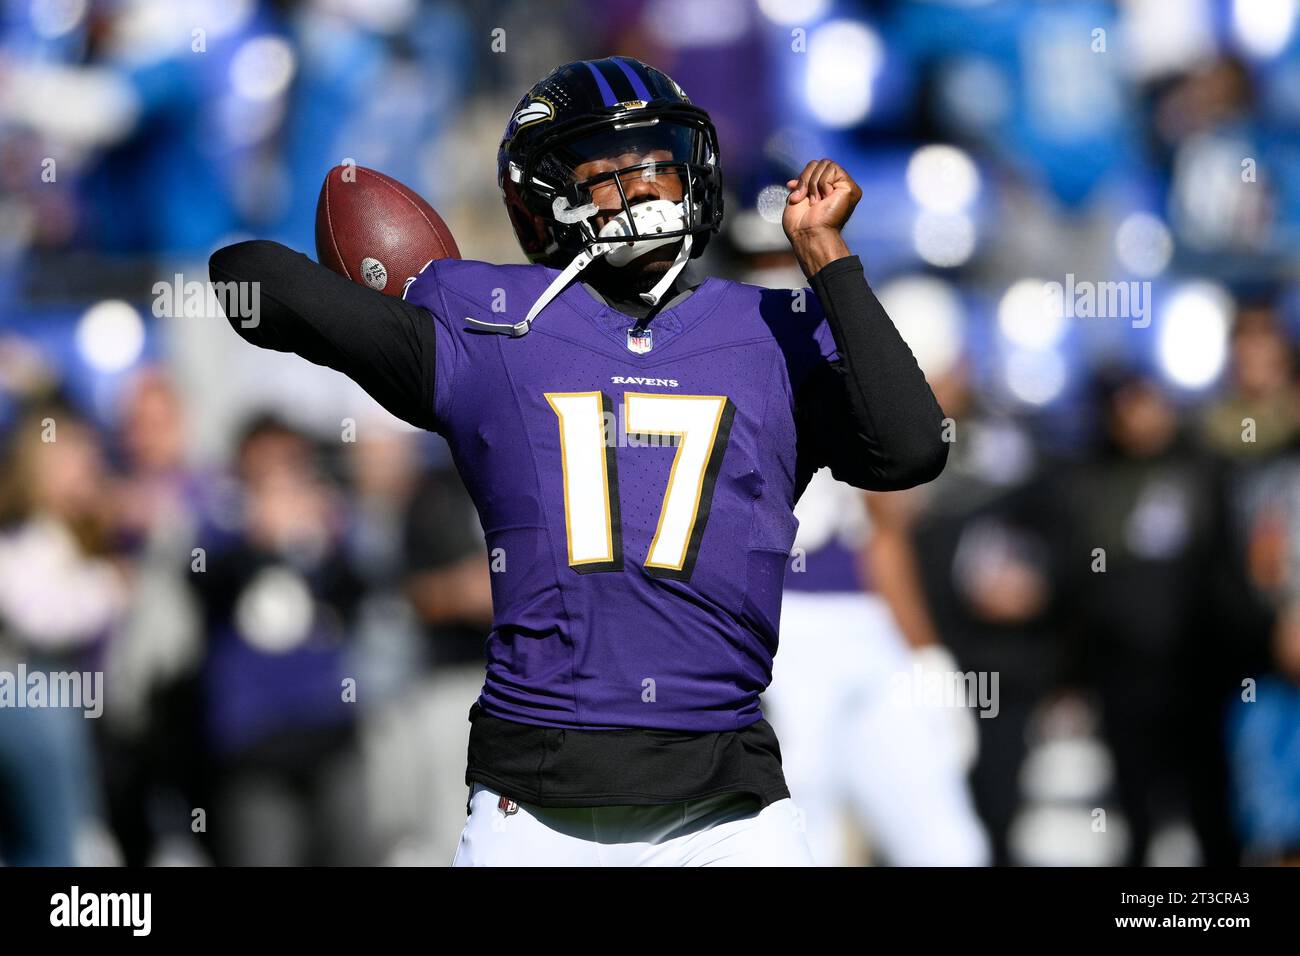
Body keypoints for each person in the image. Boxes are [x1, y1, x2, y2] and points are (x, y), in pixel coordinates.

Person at [209, 57, 947, 866]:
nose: (650, 188)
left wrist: (828, 257)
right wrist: (401, 303)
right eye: (613, 173)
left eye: (662, 163)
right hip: (535, 810)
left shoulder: (770, 328)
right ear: (541, 205)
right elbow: (249, 277)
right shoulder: (488, 324)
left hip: (727, 809)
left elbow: (911, 448)